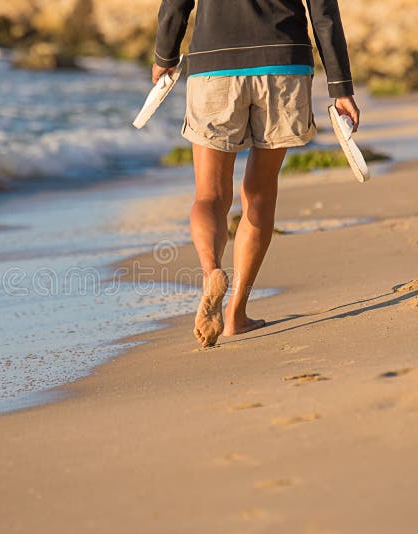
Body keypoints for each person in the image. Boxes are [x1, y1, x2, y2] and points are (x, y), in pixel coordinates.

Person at [152, 0, 360, 348]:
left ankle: (210, 272)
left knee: (210, 196)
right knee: (260, 193)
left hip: (214, 63)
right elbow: (324, 14)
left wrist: (164, 57)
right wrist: (341, 88)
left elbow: (175, 4)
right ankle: (236, 314)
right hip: (284, 65)